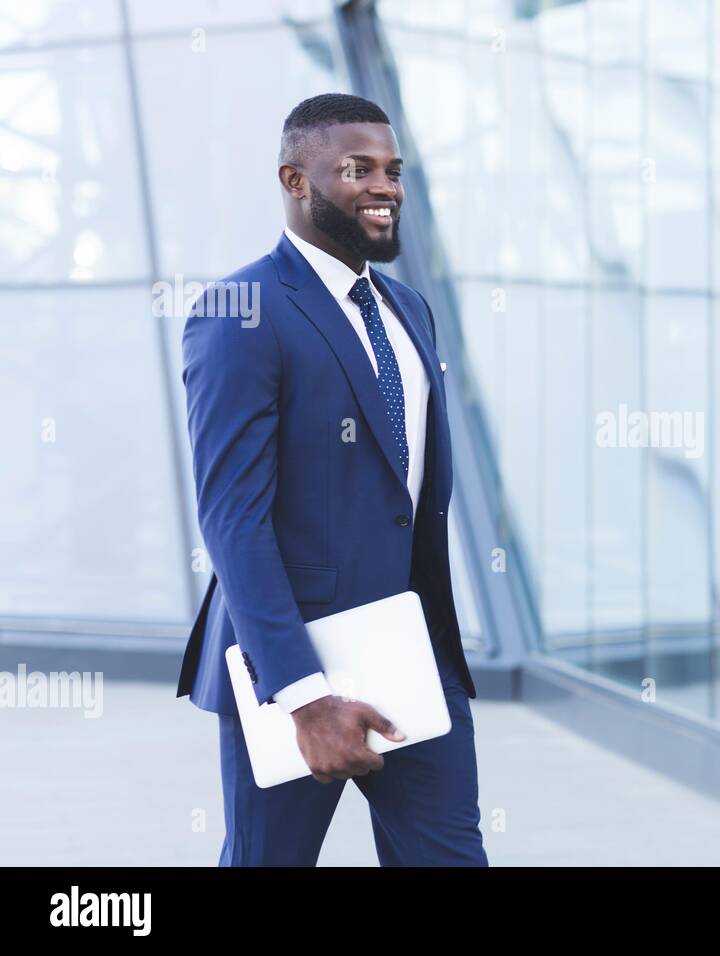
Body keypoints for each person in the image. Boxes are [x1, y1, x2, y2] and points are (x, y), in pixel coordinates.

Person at [176, 93, 487, 866]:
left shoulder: (410, 309)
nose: (385, 187)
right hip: (295, 672)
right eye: (358, 170)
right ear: (294, 179)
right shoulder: (241, 311)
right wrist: (304, 695)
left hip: (416, 659)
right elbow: (232, 521)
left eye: (393, 170)